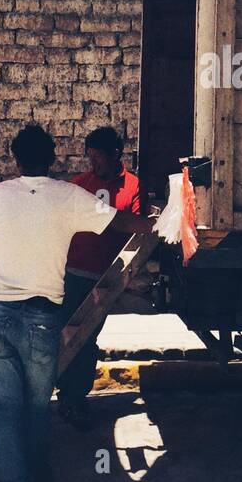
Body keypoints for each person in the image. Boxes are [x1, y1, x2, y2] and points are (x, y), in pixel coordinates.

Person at [0, 124, 152, 482]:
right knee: (37, 405)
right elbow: (123, 223)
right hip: (41, 316)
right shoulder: (70, 195)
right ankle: (36, 475)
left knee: (5, 409)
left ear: (15, 158)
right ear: (52, 158)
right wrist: (165, 224)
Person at [58, 126, 142, 430]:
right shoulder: (79, 185)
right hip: (72, 273)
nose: (93, 163)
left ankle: (75, 397)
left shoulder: (133, 186)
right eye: (89, 157)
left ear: (115, 154)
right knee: (67, 334)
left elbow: (134, 226)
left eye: (98, 157)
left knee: (86, 338)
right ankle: (67, 397)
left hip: (105, 278)